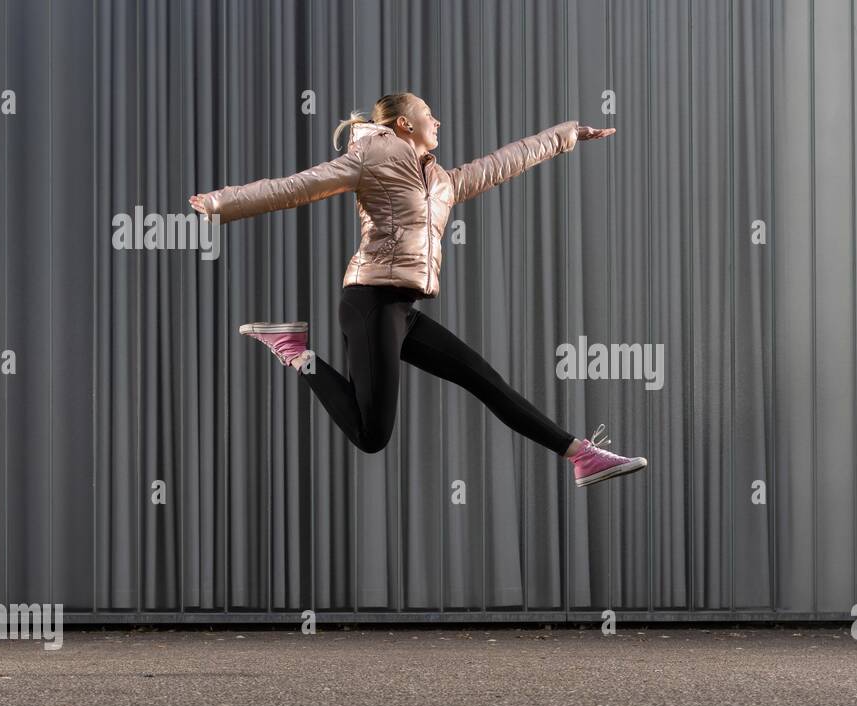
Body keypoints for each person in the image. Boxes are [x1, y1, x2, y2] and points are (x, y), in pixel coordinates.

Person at [189, 92, 645, 488]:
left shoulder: (441, 181)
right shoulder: (371, 157)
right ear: (405, 122)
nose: (438, 120)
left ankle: (580, 455)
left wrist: (565, 135)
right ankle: (295, 350)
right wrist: (220, 203)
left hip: (401, 309)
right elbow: (297, 187)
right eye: (429, 113)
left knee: (485, 380)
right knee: (372, 437)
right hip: (369, 302)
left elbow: (503, 163)